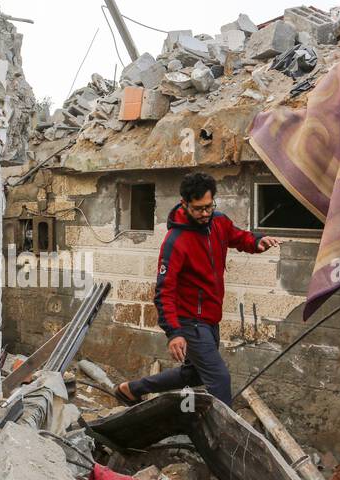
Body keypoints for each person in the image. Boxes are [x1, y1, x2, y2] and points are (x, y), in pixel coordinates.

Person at [116, 172, 280, 407]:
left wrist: (256, 241)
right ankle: (221, 437)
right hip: (190, 321)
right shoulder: (175, 241)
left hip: (211, 319)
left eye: (208, 207)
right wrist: (174, 332)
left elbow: (237, 236)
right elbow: (164, 291)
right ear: (184, 204)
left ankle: (131, 390)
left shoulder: (219, 222)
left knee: (194, 375)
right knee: (219, 379)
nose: (205, 213)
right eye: (198, 209)